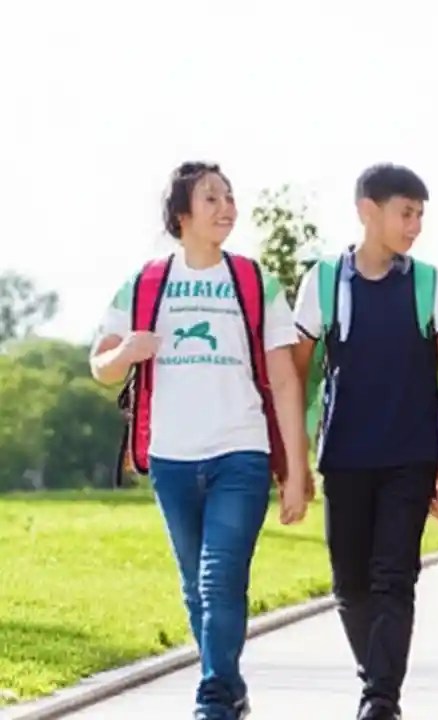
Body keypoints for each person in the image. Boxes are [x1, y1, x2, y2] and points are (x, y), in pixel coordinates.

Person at [90, 162, 309, 720]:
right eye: (211, 197)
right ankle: (229, 686)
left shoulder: (255, 280)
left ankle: (212, 698)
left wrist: (299, 471)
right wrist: (126, 352)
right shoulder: (145, 283)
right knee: (195, 586)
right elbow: (102, 367)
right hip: (173, 458)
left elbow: (285, 379)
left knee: (220, 576)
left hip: (242, 451)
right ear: (182, 214)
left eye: (229, 196)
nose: (226, 206)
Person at [292, 164, 438, 720]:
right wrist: (293, 461)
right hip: (343, 457)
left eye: (420, 214)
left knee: (395, 576)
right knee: (349, 580)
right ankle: (378, 680)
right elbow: (295, 378)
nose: (415, 226)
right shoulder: (322, 283)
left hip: (410, 457)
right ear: (368, 211)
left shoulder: (428, 283)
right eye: (405, 213)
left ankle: (380, 700)